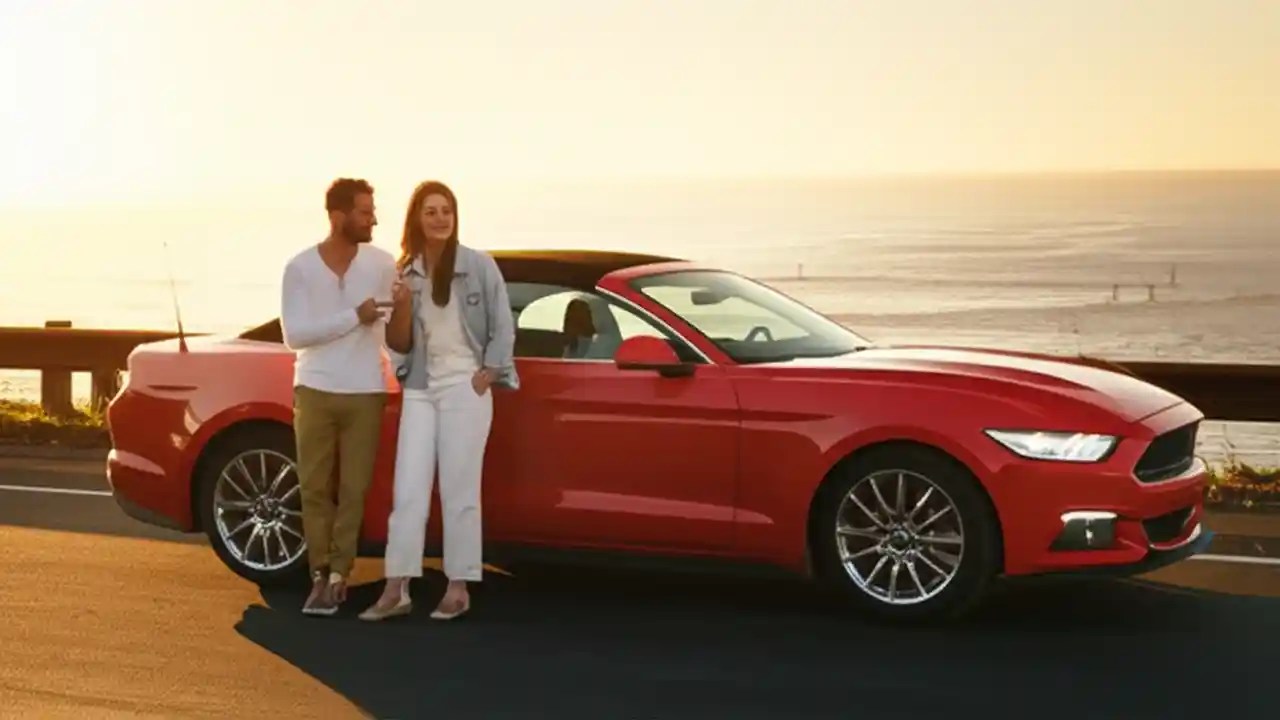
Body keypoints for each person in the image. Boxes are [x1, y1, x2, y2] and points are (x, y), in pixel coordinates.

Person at [359, 180, 517, 622]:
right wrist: (403, 307)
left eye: (446, 209)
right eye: (430, 211)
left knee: (459, 489)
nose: (440, 218)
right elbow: (399, 343)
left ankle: (459, 586)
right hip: (422, 388)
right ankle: (398, 587)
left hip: (466, 386)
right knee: (408, 488)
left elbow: (503, 325)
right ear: (417, 219)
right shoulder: (405, 274)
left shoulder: (478, 267)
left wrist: (490, 372)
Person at [281, 177, 398, 616]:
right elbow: (295, 335)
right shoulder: (300, 268)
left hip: (366, 389)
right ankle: (317, 575)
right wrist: (354, 316)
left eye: (372, 211)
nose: (373, 219)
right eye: (365, 212)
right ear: (338, 216)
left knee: (354, 489)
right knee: (314, 487)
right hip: (314, 388)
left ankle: (338, 577)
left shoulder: (383, 264)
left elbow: (390, 332)